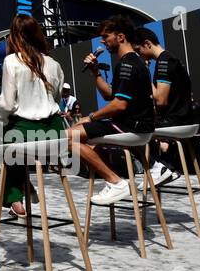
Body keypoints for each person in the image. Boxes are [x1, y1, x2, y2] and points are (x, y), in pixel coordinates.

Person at [69, 15, 155, 206]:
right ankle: (115, 180)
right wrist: (95, 72)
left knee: (68, 137)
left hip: (130, 126)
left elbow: (119, 105)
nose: (102, 41)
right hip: (133, 126)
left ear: (121, 37)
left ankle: (116, 182)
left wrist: (90, 117)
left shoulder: (128, 63)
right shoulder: (132, 61)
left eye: (106, 36)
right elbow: (110, 95)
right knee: (88, 144)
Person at [0, 14, 66, 219]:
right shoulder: (54, 64)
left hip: (25, 134)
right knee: (13, 143)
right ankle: (23, 186)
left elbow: (7, 104)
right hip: (55, 134)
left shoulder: (11, 61)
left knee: (7, 142)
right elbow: (57, 98)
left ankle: (16, 196)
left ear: (14, 36)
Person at [133, 27, 193, 187]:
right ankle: (165, 166)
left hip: (174, 120)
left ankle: (160, 168)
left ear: (147, 44)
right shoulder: (171, 59)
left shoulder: (164, 62)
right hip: (181, 118)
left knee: (128, 129)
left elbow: (160, 100)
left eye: (138, 50)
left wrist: (144, 71)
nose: (139, 55)